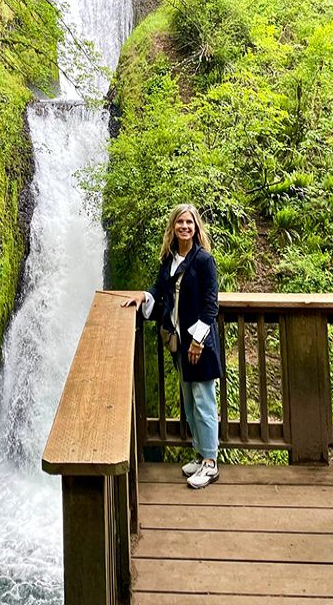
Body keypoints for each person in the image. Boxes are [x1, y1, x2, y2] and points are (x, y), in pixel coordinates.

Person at [122, 203, 222, 488]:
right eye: (180, 222)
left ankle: (211, 463)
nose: (185, 227)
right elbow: (159, 289)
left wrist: (198, 341)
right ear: (173, 227)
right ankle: (201, 453)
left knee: (203, 401)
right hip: (180, 342)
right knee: (189, 402)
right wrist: (143, 297)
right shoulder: (169, 259)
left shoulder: (204, 260)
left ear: (196, 227)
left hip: (199, 344)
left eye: (189, 223)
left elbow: (210, 305)